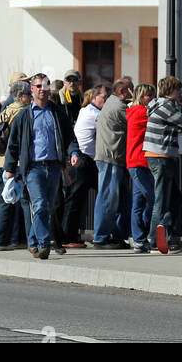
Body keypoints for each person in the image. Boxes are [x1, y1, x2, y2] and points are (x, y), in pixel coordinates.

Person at [5, 73, 76, 258]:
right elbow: (13, 143)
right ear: (32, 89)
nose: (42, 90)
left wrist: (74, 153)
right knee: (40, 204)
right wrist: (9, 169)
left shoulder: (58, 113)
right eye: (38, 86)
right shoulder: (24, 116)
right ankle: (44, 244)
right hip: (33, 168)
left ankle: (33, 240)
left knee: (47, 206)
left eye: (45, 86)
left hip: (53, 167)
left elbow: (69, 137)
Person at [145, 75, 182, 252]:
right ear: (171, 91)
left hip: (161, 156)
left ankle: (164, 229)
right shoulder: (166, 106)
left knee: (174, 197)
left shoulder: (158, 105)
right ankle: (154, 240)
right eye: (178, 89)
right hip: (161, 156)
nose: (181, 92)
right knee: (161, 200)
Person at [92, 79, 133, 249]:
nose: (134, 93)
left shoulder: (111, 103)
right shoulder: (119, 108)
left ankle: (116, 235)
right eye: (132, 89)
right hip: (112, 157)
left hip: (113, 157)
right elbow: (137, 122)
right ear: (123, 91)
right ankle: (101, 237)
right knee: (108, 198)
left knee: (120, 199)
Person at [63, 85, 106, 248]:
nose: (106, 100)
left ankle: (72, 234)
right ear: (94, 98)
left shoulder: (86, 110)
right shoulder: (94, 114)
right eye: (103, 96)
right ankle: (69, 236)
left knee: (80, 199)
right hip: (83, 160)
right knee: (75, 200)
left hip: (85, 159)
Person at [0, 80, 33, 251]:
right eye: (28, 94)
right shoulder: (22, 113)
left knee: (5, 200)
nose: (31, 98)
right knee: (25, 201)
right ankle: (32, 241)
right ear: (20, 96)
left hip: (0, 161)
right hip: (15, 163)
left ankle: (1, 241)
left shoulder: (5, 111)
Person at [125, 84, 155, 253]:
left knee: (138, 203)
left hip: (135, 162)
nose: (150, 99)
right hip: (140, 162)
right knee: (153, 199)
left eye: (152, 95)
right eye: (147, 96)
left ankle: (139, 239)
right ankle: (142, 236)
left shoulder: (133, 112)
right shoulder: (141, 112)